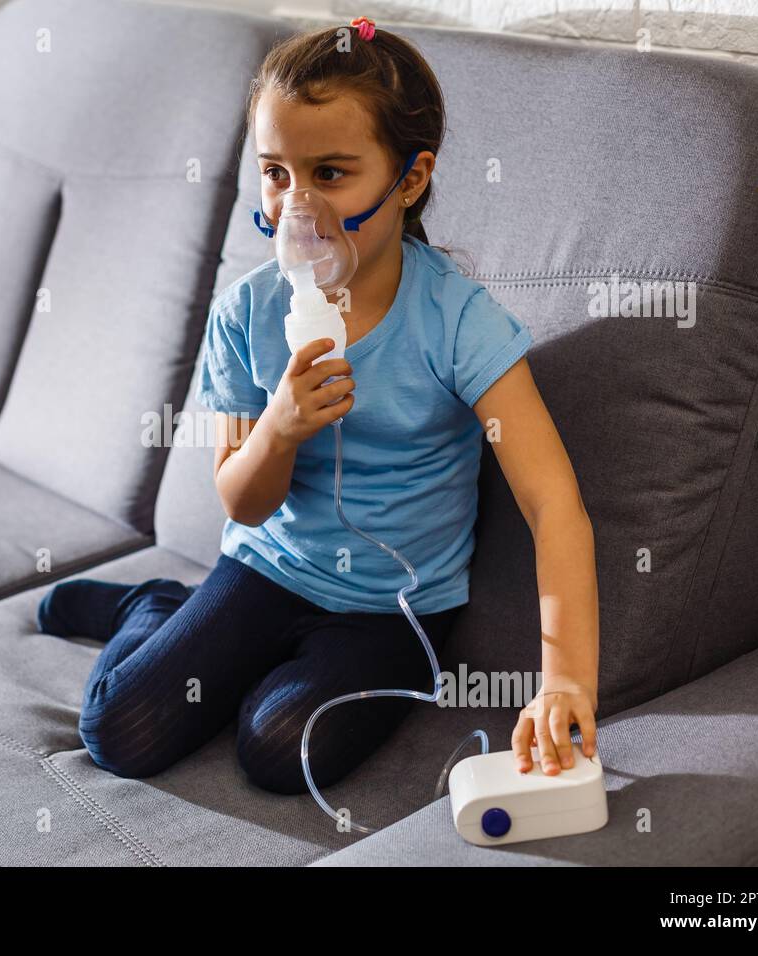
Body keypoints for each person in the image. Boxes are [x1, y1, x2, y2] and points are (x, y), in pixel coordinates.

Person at [36, 17, 600, 796]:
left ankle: (214, 636)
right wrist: (281, 427)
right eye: (275, 172)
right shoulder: (246, 314)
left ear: (409, 179)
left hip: (391, 608)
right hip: (270, 566)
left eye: (330, 173)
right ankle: (153, 604)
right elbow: (240, 497)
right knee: (119, 731)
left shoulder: (458, 323)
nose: (297, 206)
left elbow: (554, 503)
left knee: (279, 749)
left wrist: (565, 679)